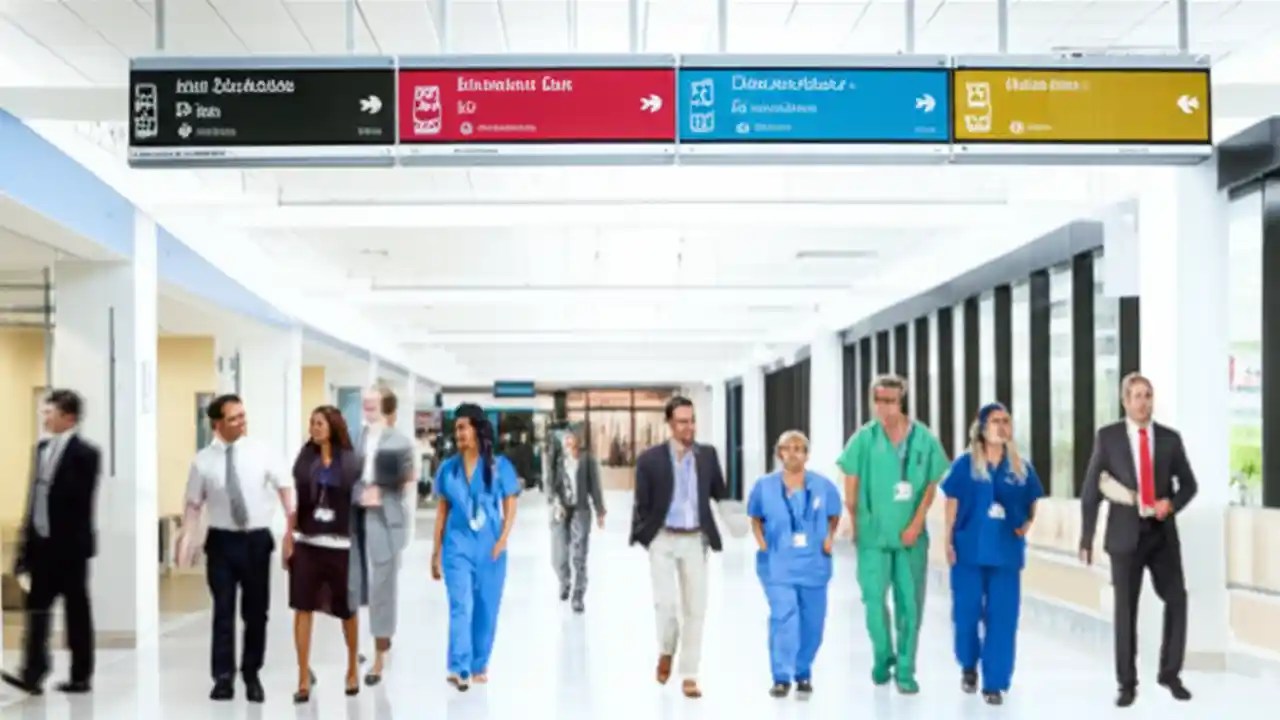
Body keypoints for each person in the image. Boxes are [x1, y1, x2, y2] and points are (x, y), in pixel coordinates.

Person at [1080, 372, 1198, 708]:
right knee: (1125, 611)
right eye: (1137, 396)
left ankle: (1170, 674)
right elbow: (1091, 491)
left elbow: (1189, 484)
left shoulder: (1169, 440)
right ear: (1125, 400)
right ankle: (1126, 684)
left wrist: (1171, 503)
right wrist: (1086, 537)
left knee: (1177, 598)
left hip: (1161, 535)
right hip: (1124, 536)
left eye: (1148, 395)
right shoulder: (1109, 438)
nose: (1143, 402)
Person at [836, 374, 949, 694]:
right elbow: (852, 483)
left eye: (890, 401)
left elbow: (931, 483)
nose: (884, 407)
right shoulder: (864, 439)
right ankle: (882, 654)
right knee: (873, 601)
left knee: (910, 605)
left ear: (901, 402)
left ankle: (905, 669)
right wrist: (856, 522)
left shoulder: (924, 439)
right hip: (873, 535)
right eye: (879, 400)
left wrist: (915, 524)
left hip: (911, 537)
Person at [180, 394, 294, 703]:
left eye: (243, 416)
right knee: (223, 611)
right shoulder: (203, 460)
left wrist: (291, 532)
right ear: (217, 423)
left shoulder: (262, 452)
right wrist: (187, 539)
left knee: (256, 613)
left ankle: (252, 673)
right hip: (221, 542)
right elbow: (193, 503)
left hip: (256, 540)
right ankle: (222, 678)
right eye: (234, 418)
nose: (241, 422)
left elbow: (285, 488)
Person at [942, 402, 1043, 705]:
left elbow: (1033, 500)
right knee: (967, 614)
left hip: (1006, 554)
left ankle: (995, 682)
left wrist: (1027, 523)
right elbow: (952, 505)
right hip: (969, 551)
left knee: (1003, 617)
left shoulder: (1021, 468)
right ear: (983, 429)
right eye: (995, 421)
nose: (1002, 426)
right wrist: (946, 541)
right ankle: (969, 663)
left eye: (1006, 421)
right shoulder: (965, 465)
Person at [1, 390, 100, 696]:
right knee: (37, 612)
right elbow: (33, 500)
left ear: (68, 417)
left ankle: (80, 675)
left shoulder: (86, 454)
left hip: (69, 550)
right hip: (41, 547)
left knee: (76, 614)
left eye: (50, 413)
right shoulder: (40, 449)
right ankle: (32, 673)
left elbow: (78, 501)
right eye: (44, 412)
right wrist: (24, 547)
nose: (45, 418)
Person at [629, 395, 728, 699]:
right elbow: (641, 503)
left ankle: (689, 673)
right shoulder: (650, 459)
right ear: (670, 423)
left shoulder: (708, 455)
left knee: (696, 608)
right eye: (683, 421)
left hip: (695, 539)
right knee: (667, 605)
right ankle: (666, 650)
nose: (689, 427)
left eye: (692, 420)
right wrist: (646, 533)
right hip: (663, 538)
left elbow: (719, 493)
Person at [430, 403, 521, 691]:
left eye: (463, 427)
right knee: (461, 605)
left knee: (486, 607)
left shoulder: (498, 466)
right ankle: (459, 666)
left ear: (477, 430)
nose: (458, 433)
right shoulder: (447, 469)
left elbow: (510, 502)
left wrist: (503, 539)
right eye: (456, 428)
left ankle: (479, 663)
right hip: (457, 546)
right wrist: (436, 552)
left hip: (490, 547)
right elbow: (442, 512)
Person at [747, 430, 841, 698]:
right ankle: (781, 676)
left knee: (812, 623)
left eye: (799, 448)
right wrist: (763, 543)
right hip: (778, 564)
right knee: (784, 616)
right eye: (787, 448)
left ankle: (802, 671)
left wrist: (828, 539)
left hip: (814, 565)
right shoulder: (764, 486)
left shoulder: (823, 486)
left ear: (807, 454)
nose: (793, 453)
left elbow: (834, 515)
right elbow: (755, 517)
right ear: (779, 453)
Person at [287, 406, 366, 703]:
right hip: (308, 542)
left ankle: (351, 668)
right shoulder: (305, 459)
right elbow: (297, 502)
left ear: (333, 426)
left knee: (347, 610)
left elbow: (360, 503)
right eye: (312, 422)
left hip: (341, 545)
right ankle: (303, 676)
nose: (314, 427)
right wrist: (289, 536)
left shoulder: (351, 461)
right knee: (302, 607)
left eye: (319, 423)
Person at [354, 386, 415, 686]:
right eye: (365, 399)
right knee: (356, 584)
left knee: (382, 585)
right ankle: (361, 646)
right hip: (357, 516)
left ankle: (380, 650)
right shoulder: (357, 439)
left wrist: (383, 490)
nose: (367, 403)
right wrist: (360, 493)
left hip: (386, 517)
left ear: (387, 407)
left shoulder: (400, 441)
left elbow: (408, 475)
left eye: (373, 400)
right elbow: (347, 475)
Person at [548, 428, 606, 612]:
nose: (567, 441)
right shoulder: (557, 460)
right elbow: (550, 483)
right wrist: (554, 501)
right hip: (561, 509)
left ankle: (578, 595)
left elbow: (595, 485)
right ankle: (564, 581)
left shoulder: (586, 459)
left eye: (570, 437)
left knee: (579, 554)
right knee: (558, 556)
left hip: (581, 509)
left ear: (577, 439)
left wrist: (600, 510)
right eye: (564, 438)